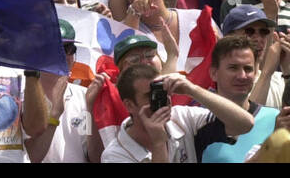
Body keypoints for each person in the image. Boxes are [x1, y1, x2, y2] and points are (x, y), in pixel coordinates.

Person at [102, 62, 256, 163]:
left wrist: (192, 89)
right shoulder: (114, 155)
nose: (163, 101)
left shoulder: (181, 117)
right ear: (129, 105)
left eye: (162, 92)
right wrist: (159, 143)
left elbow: (245, 124)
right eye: (151, 96)